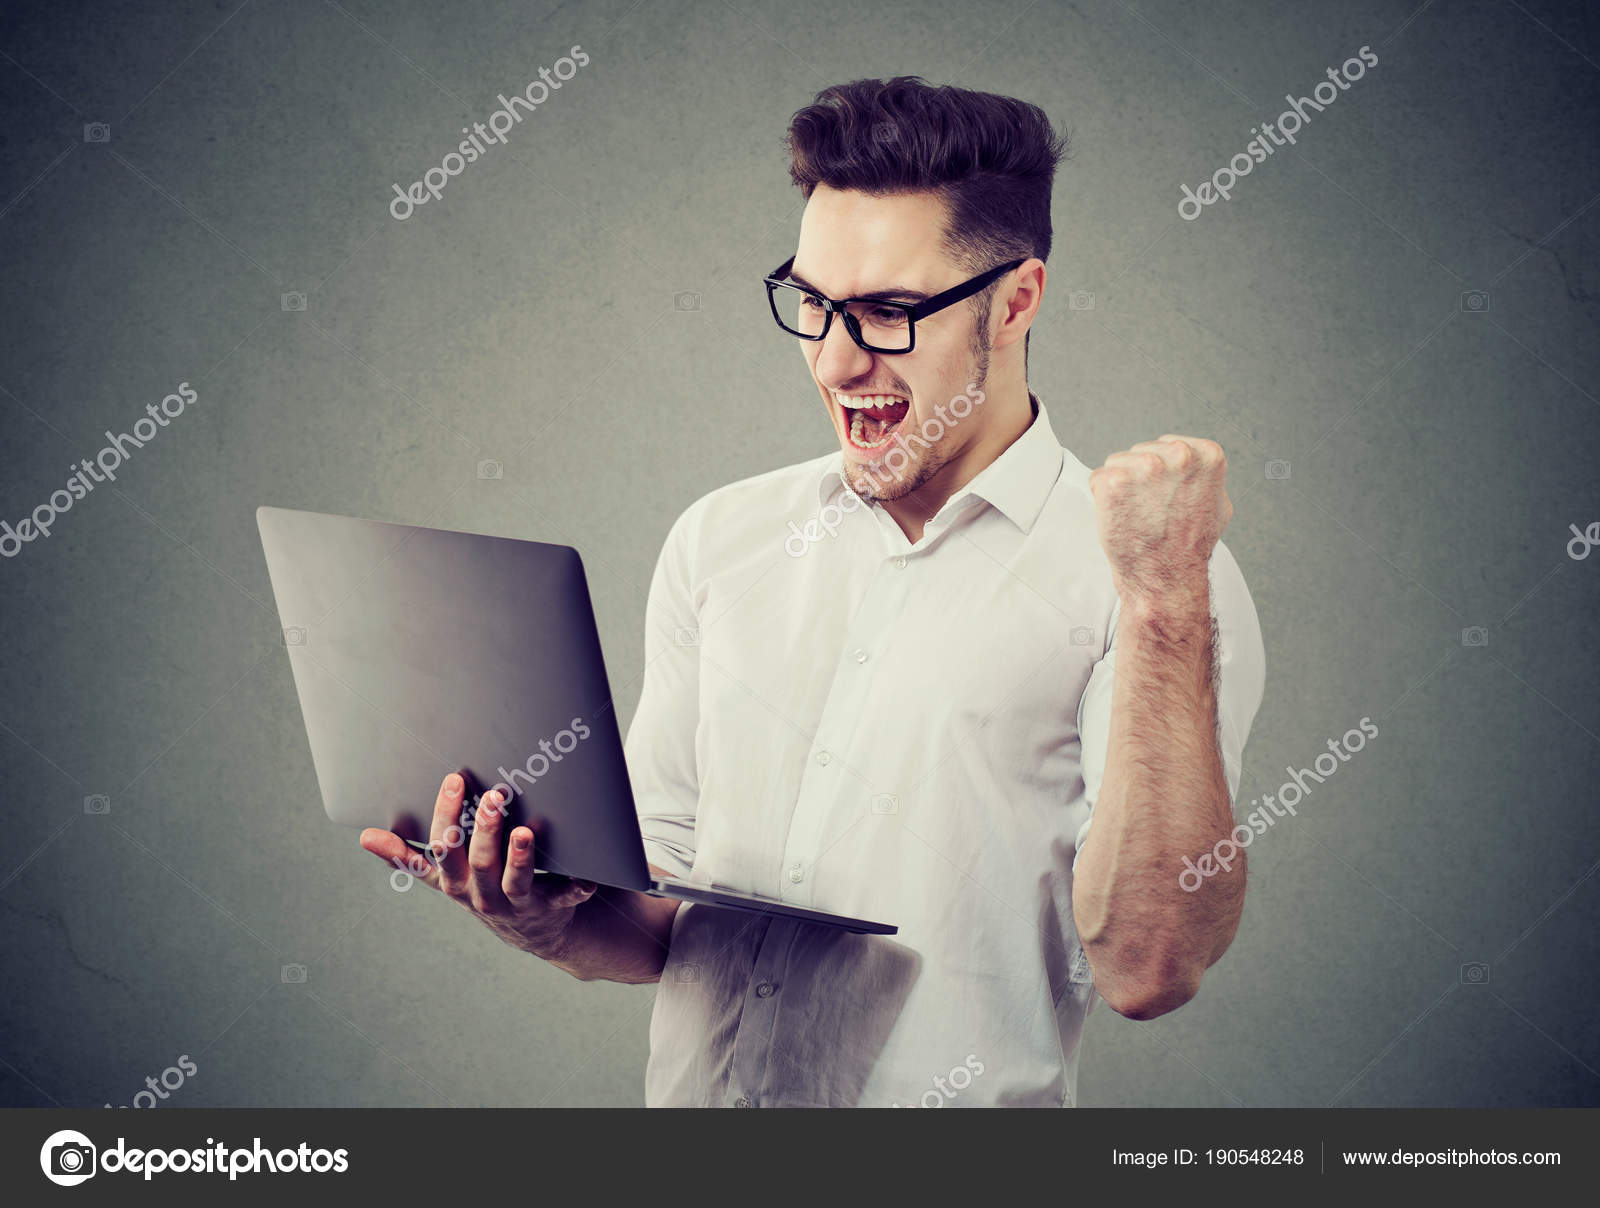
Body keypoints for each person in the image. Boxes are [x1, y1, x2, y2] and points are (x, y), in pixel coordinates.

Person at [361, 76, 1266, 1108]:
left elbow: (1150, 966)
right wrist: (542, 914)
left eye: (886, 312)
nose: (835, 361)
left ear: (1015, 301)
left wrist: (1160, 602)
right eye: (812, 303)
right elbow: (658, 920)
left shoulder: (1153, 579)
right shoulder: (722, 539)